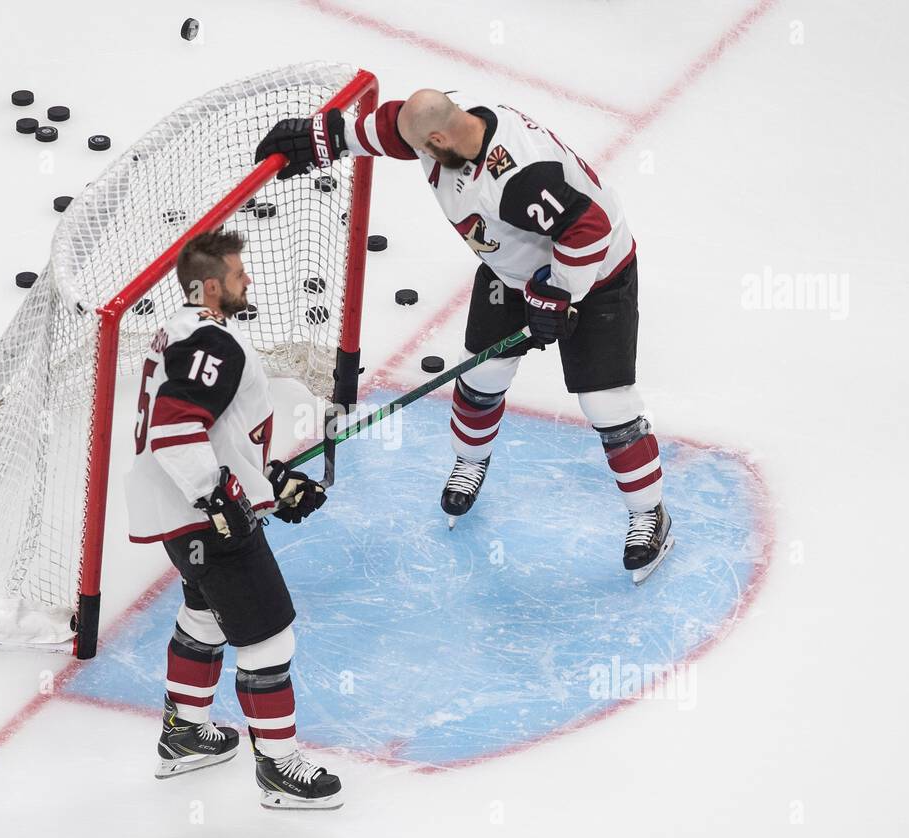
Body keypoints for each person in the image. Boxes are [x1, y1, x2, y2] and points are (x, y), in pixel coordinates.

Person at [256, 89, 673, 582]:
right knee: (482, 375)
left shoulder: (519, 178)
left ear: (438, 139)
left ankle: (651, 514)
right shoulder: (453, 121)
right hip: (511, 271)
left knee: (608, 405)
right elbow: (394, 127)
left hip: (596, 276)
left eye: (422, 149)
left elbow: (590, 229)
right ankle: (469, 464)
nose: (417, 156)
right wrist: (326, 138)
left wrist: (558, 293)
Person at [123, 228, 342, 808]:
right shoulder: (213, 343)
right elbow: (176, 431)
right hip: (202, 517)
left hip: (178, 514)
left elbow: (214, 434)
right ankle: (279, 768)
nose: (249, 282)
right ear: (213, 285)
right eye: (241, 275)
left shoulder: (180, 329)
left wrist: (271, 482)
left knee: (206, 613)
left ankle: (187, 733)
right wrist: (220, 499)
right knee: (269, 638)